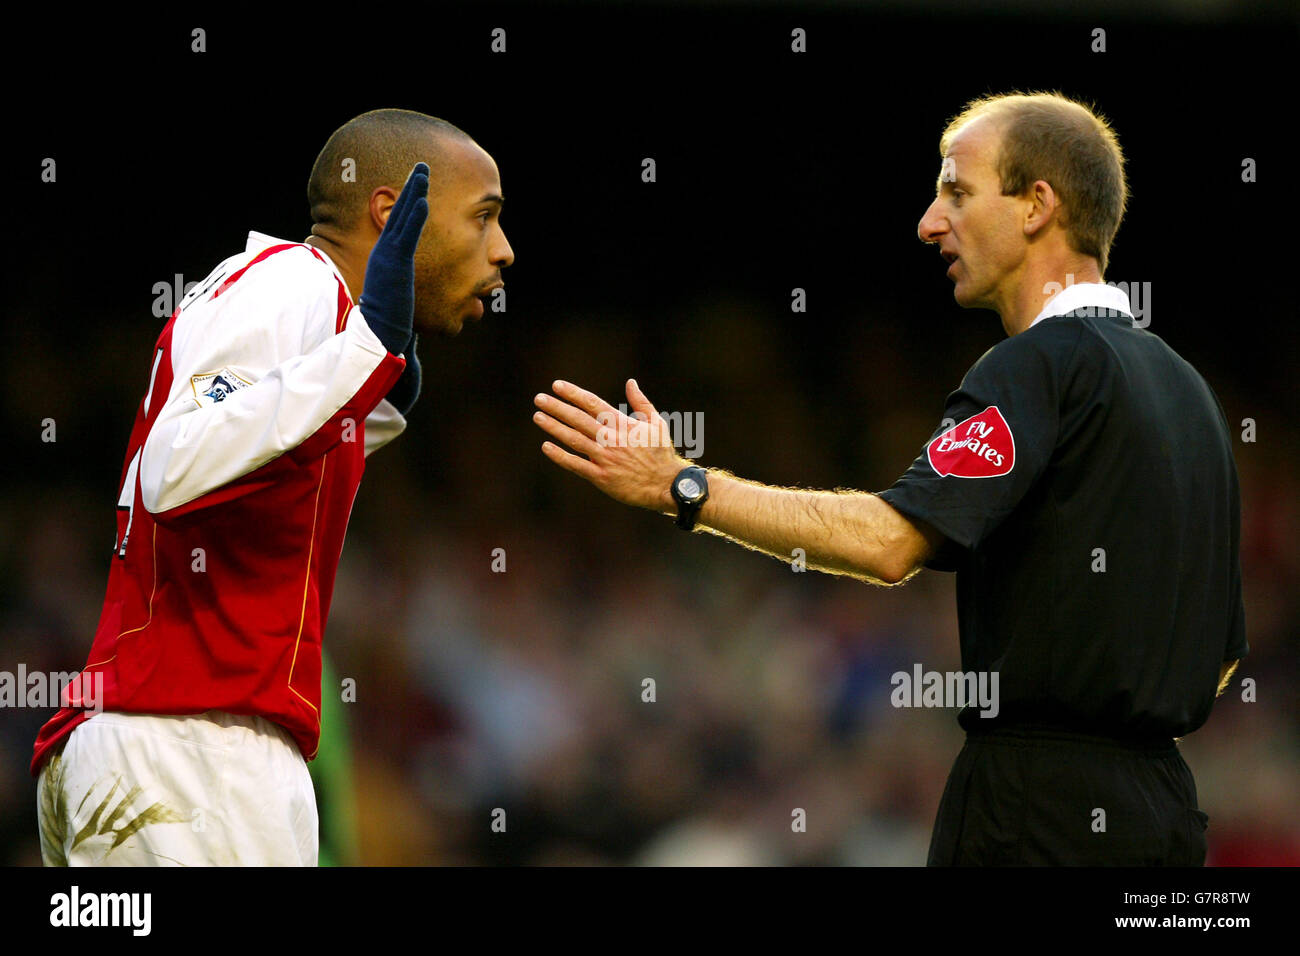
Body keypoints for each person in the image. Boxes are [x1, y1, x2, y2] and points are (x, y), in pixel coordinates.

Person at [531, 91, 1246, 865]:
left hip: (1037, 816)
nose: (930, 222)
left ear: (1038, 204)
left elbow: (891, 541)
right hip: (1168, 817)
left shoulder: (1038, 365)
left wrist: (682, 485)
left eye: (956, 192)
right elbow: (1221, 661)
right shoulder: (1193, 395)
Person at [32, 108, 515, 866]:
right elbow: (176, 466)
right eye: (483, 216)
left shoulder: (306, 312)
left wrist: (376, 381)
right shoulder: (291, 282)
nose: (503, 250)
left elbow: (269, 438)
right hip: (189, 749)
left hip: (182, 749)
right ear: (394, 216)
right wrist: (366, 349)